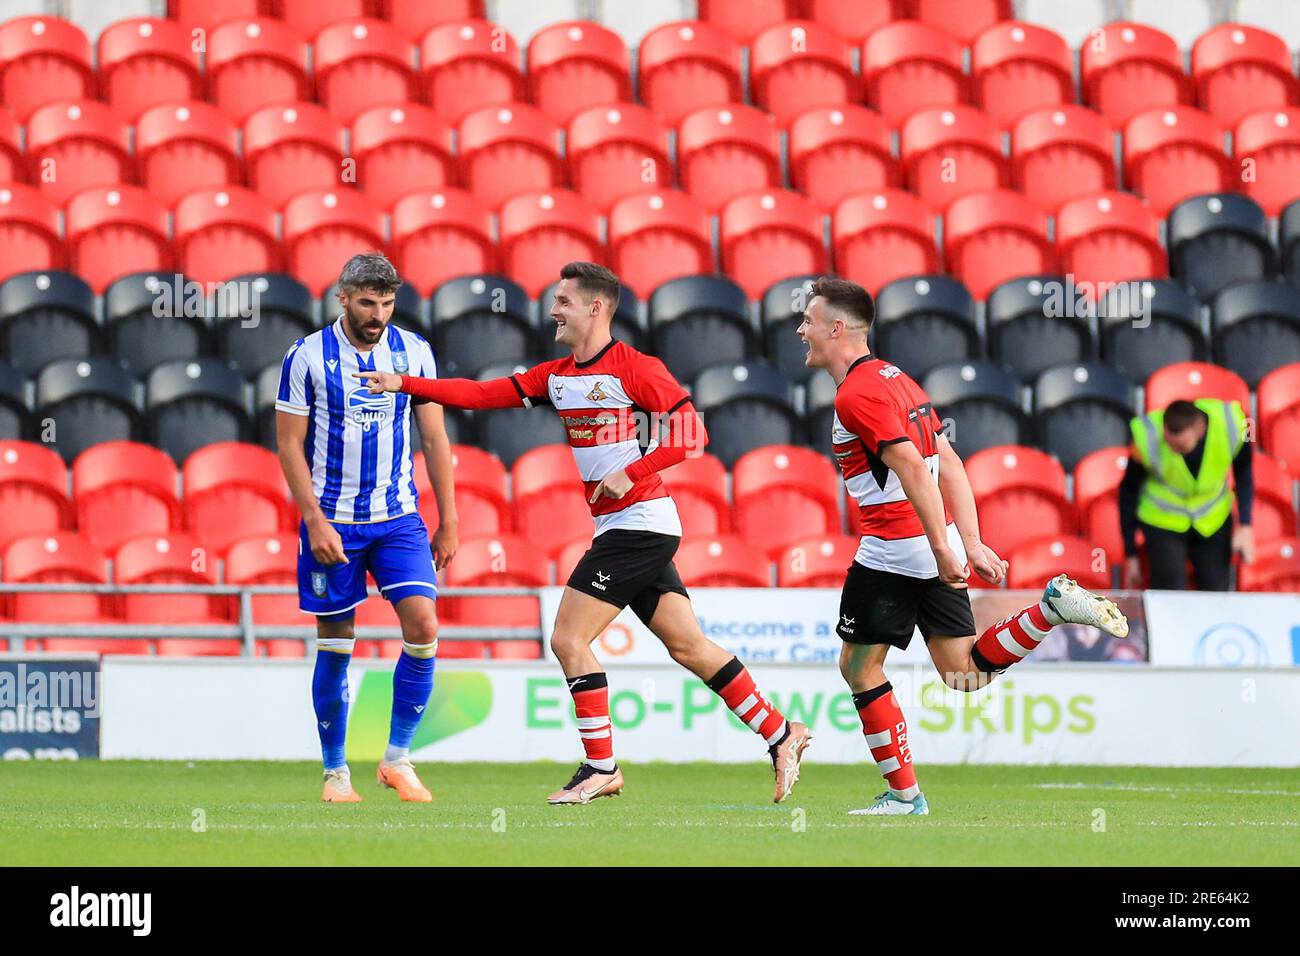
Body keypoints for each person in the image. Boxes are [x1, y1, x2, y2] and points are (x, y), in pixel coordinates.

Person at [357, 261, 812, 805]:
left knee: (568, 639)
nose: (553, 310)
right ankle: (782, 733)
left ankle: (602, 766)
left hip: (641, 525)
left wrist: (634, 471)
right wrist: (402, 383)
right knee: (688, 646)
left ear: (596, 308)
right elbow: (479, 395)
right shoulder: (556, 376)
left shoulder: (635, 368)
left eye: (563, 301)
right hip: (629, 526)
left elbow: (694, 432)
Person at [797, 276, 1129, 816]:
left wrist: (943, 547)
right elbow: (946, 461)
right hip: (933, 542)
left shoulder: (855, 393)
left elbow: (910, 466)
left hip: (893, 548)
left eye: (809, 321)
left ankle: (904, 796)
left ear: (837, 328)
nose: (800, 330)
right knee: (963, 673)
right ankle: (1048, 611)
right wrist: (965, 541)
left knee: (859, 669)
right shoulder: (900, 381)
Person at [276, 253, 459, 804]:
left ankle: (397, 759)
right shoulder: (306, 356)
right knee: (336, 643)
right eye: (367, 302)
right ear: (343, 298)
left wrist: (449, 519)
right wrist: (314, 522)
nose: (377, 313)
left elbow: (433, 439)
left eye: (386, 303)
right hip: (333, 523)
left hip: (398, 518)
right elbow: (288, 445)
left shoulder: (414, 352)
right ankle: (336, 774)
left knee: (424, 626)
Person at [1120, 398, 1254, 590]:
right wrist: (1130, 553)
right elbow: (1127, 491)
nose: (1173, 451)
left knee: (1215, 589)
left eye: (1181, 447)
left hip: (1213, 517)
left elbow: (1244, 473)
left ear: (1200, 429)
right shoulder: (1146, 435)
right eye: (1169, 444)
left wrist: (1246, 525)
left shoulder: (1232, 423)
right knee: (1170, 591)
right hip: (1163, 519)